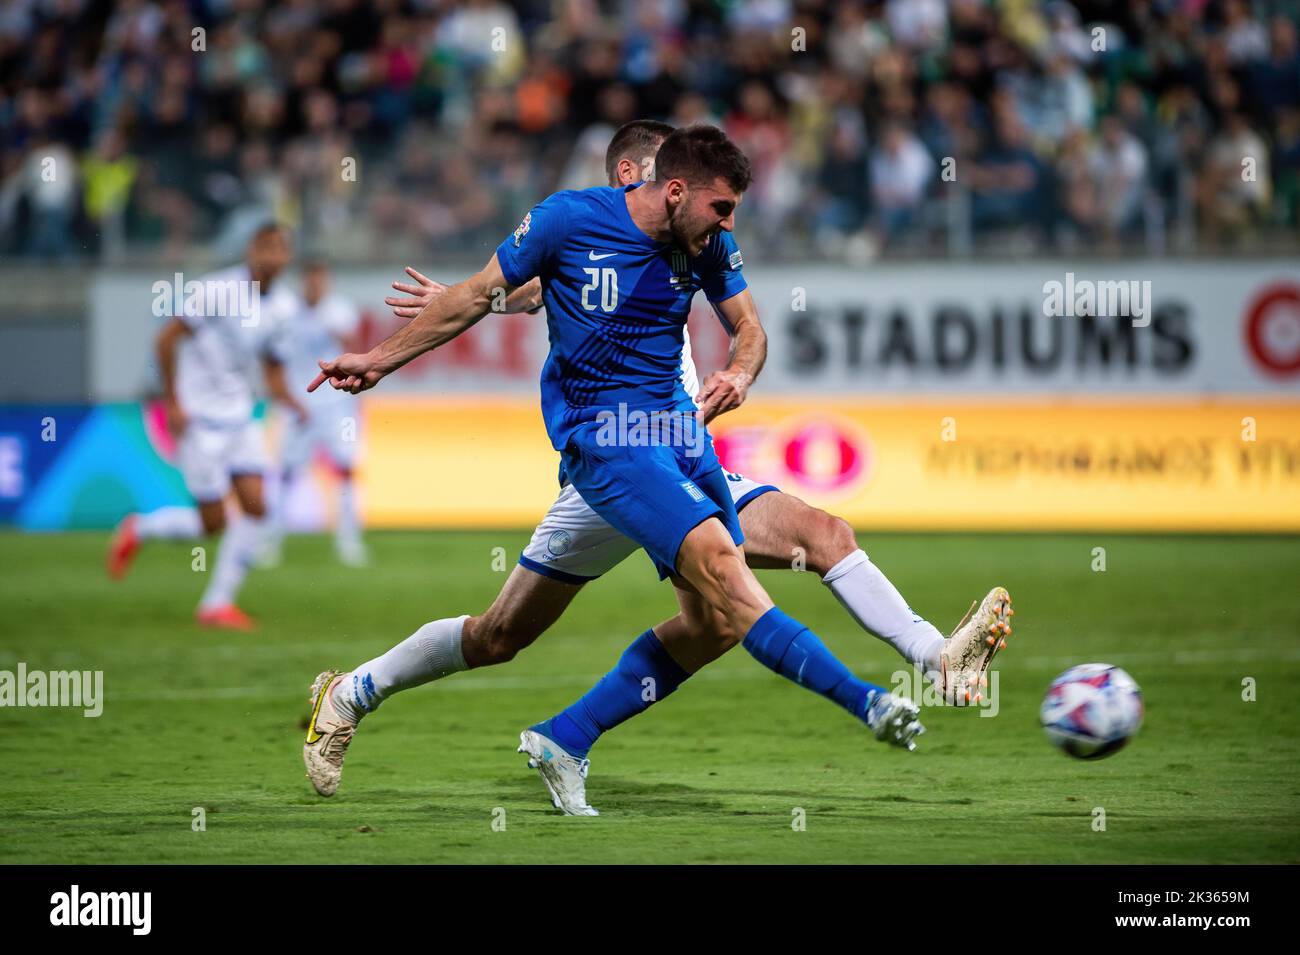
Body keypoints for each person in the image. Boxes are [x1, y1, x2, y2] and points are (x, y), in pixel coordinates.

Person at [303, 125, 1012, 813]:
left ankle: (569, 735)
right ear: (653, 183)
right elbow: (504, 289)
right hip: (609, 462)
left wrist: (739, 369)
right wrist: (392, 348)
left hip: (679, 450)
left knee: (783, 566)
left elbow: (751, 325)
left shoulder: (700, 244)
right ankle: (352, 693)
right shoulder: (573, 225)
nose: (727, 224)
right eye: (717, 205)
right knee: (503, 635)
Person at [107, 223, 305, 630]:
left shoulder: (285, 306)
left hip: (240, 417)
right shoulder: (216, 290)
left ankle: (217, 603)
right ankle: (140, 527)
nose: (273, 256)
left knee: (256, 507)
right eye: (266, 247)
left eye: (281, 249)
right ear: (251, 250)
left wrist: (290, 400)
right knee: (212, 524)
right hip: (200, 420)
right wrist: (173, 401)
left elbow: (272, 365)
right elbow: (165, 340)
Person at [264, 260, 367, 567]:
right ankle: (271, 540)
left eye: (320, 278)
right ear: (303, 280)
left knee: (346, 468)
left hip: (337, 407)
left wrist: (339, 337)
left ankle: (349, 540)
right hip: (300, 406)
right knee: (286, 472)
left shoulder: (340, 312)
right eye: (310, 278)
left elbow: (357, 353)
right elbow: (273, 358)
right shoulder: (286, 313)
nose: (315, 284)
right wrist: (285, 398)